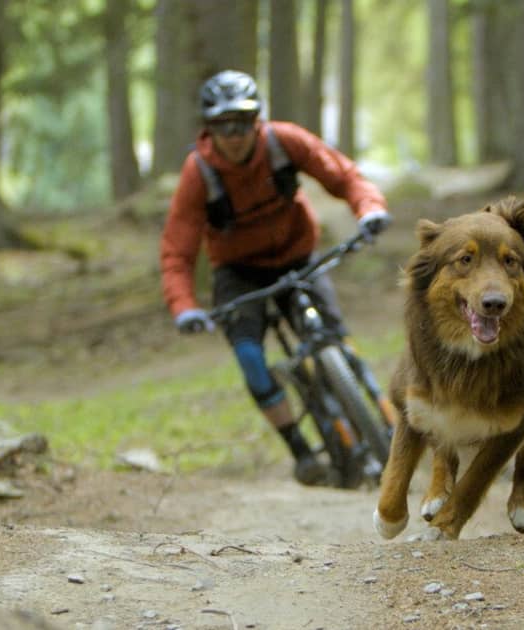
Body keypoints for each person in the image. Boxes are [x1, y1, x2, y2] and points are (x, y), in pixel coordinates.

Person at [160, 69, 391, 486]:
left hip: (297, 255)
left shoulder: (284, 141)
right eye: (223, 125)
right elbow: (178, 249)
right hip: (239, 272)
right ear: (208, 129)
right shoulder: (198, 173)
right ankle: (300, 450)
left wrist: (369, 208)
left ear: (258, 120)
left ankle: (382, 416)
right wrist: (184, 307)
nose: (235, 134)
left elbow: (343, 175)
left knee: (332, 336)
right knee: (251, 358)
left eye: (243, 121)